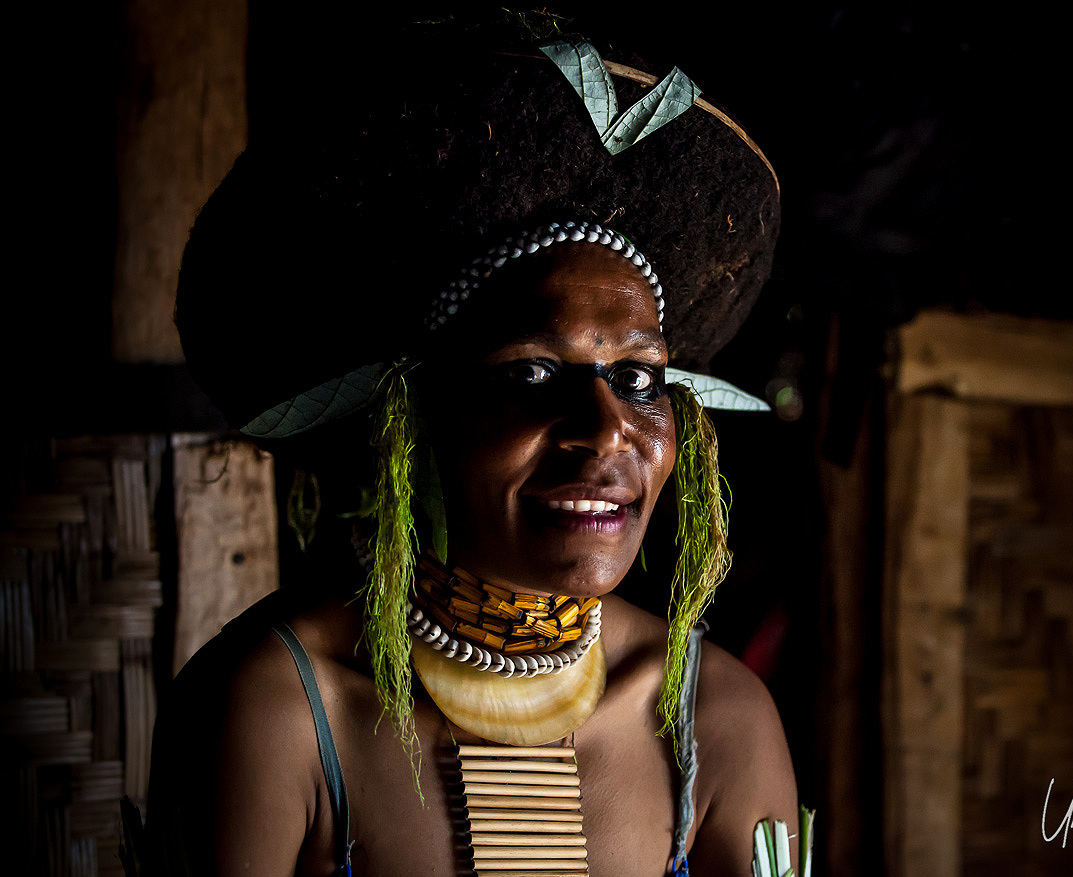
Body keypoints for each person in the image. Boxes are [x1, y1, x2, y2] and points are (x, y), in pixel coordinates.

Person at [136, 15, 800, 877]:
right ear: (409, 421)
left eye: (639, 379)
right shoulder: (282, 709)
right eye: (528, 374)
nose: (606, 429)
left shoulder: (715, 718)